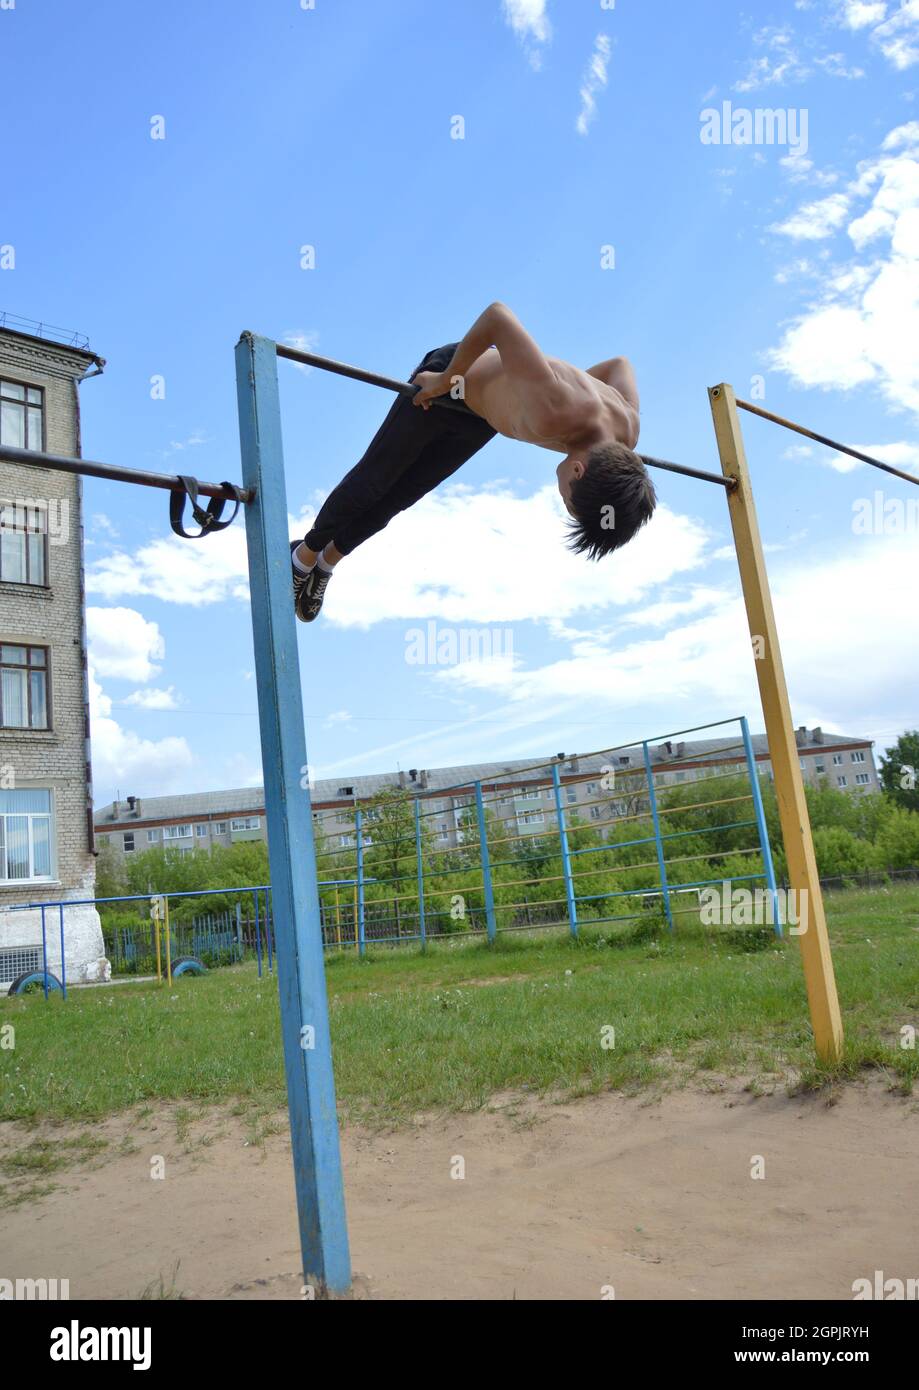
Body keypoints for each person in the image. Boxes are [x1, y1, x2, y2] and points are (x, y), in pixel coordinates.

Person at [291, 301, 655, 622]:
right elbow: (498, 316)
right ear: (578, 469)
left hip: (480, 419)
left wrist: (553, 389)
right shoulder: (554, 406)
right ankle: (304, 556)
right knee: (376, 480)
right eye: (567, 500)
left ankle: (327, 563)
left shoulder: (627, 430)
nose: (560, 496)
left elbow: (620, 365)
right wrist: (447, 380)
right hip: (448, 384)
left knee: (401, 497)